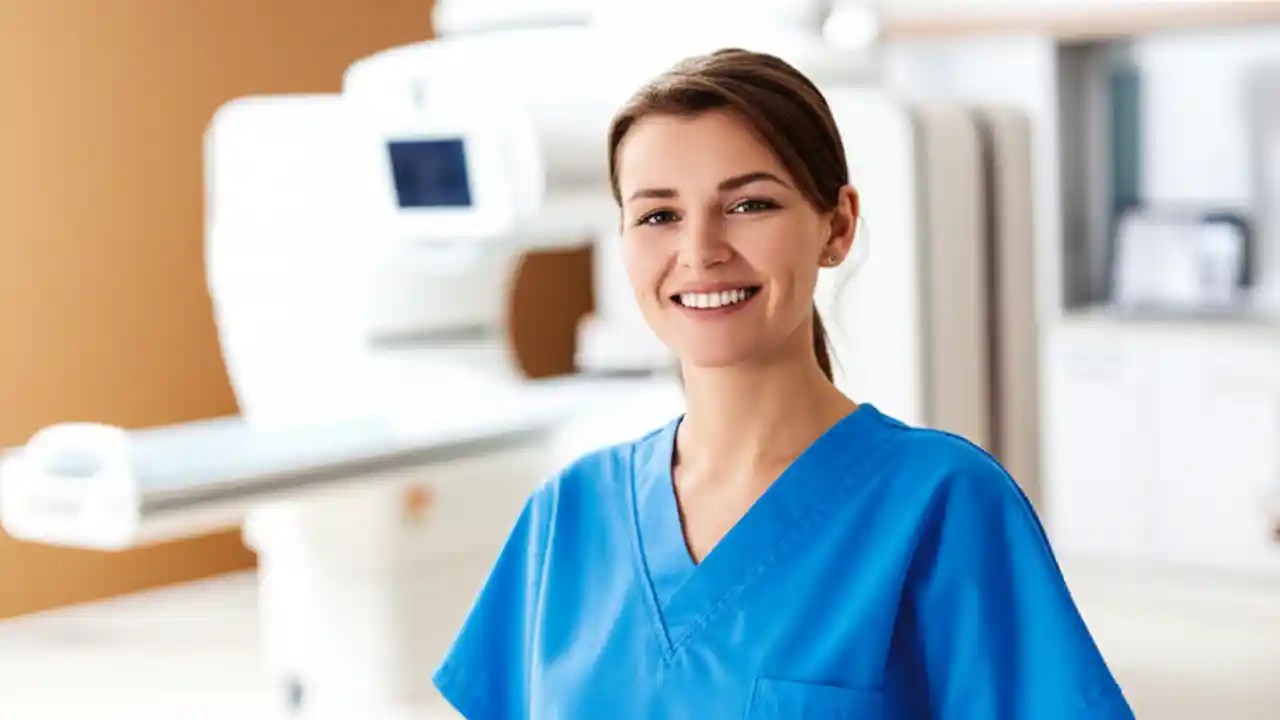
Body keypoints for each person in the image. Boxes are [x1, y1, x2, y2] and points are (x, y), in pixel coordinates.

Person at [432, 48, 1134, 719]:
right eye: (658, 215)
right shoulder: (568, 517)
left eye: (749, 205)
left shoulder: (942, 505)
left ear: (837, 226)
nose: (700, 251)